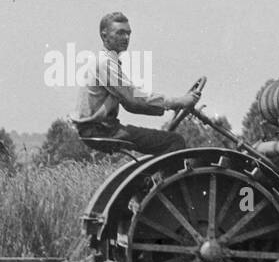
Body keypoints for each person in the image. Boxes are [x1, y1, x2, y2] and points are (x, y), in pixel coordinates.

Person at [69, 11, 199, 156]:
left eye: (128, 33)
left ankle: (158, 176)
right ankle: (159, 178)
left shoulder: (107, 61)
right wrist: (176, 102)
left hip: (100, 128)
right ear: (104, 36)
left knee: (163, 141)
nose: (126, 38)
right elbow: (133, 98)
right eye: (120, 33)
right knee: (175, 142)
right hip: (102, 130)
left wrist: (169, 106)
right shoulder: (105, 63)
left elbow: (130, 103)